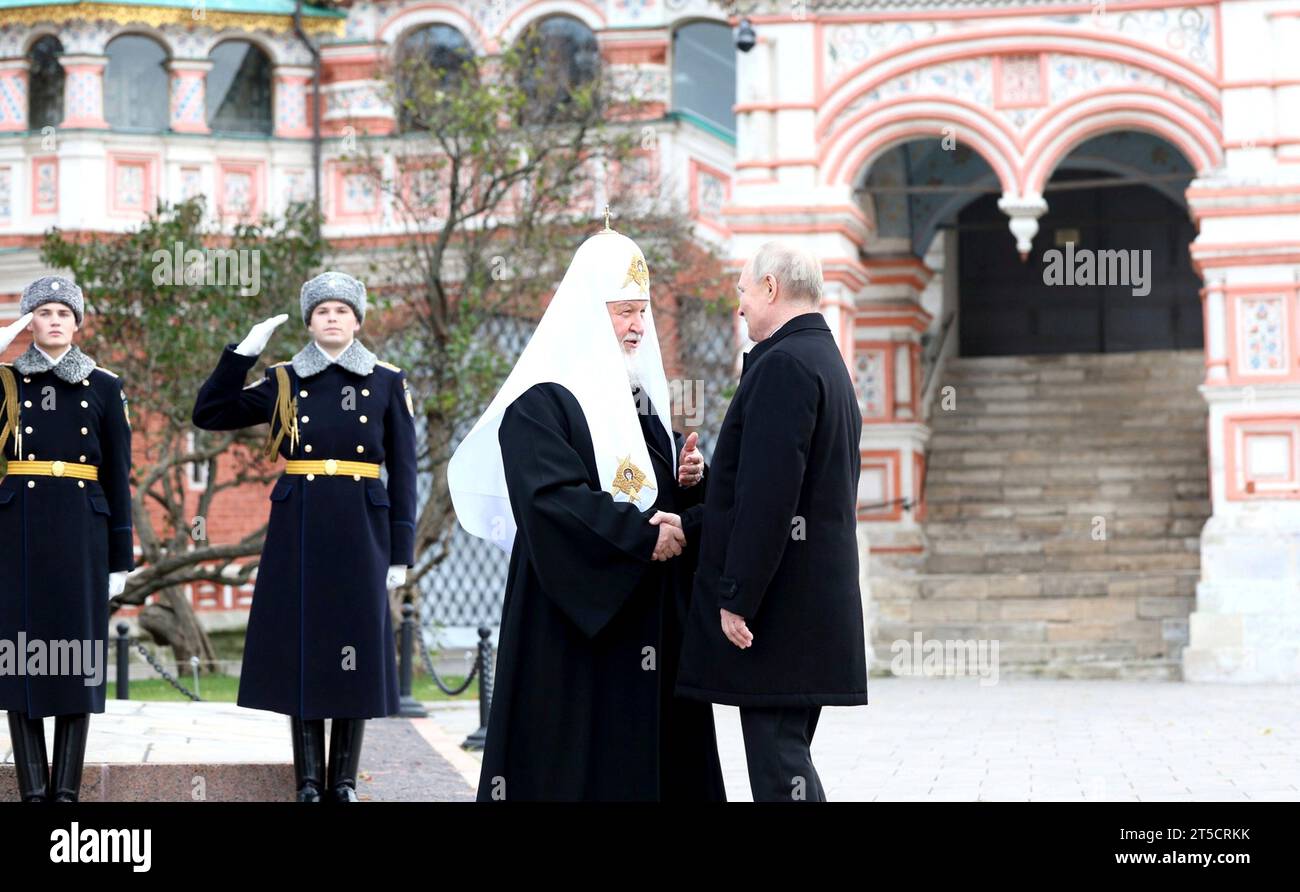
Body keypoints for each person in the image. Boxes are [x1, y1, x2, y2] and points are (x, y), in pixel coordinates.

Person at [448, 224, 724, 801]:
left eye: (642, 312)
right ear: (588, 313)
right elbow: (552, 502)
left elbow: (657, 497)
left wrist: (686, 484)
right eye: (625, 312)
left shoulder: (641, 403)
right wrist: (639, 537)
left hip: (648, 621)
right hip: (575, 626)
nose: (637, 327)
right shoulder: (539, 402)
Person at [190, 271, 418, 802]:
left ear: (358, 320)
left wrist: (400, 551)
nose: (332, 317)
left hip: (363, 525)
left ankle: (343, 781)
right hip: (301, 525)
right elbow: (210, 413)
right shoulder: (285, 378)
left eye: (342, 310)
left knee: (355, 649)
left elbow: (404, 470)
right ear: (310, 321)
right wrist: (241, 355)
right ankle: (309, 781)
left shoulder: (387, 379)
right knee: (306, 649)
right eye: (322, 311)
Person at [676, 241, 868, 802]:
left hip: (779, 613)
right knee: (786, 758)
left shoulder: (783, 364)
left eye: (741, 291)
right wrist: (710, 483)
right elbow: (786, 487)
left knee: (778, 764)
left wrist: (737, 593)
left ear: (769, 287)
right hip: (808, 608)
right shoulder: (823, 359)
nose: (738, 307)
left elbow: (770, 499)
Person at [0, 276, 134, 802]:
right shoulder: (5, 382)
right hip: (17, 531)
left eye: (63, 313)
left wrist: (120, 560)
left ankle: (65, 794)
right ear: (29, 321)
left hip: (83, 529)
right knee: (18, 658)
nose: (54, 320)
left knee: (76, 660)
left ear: (78, 323)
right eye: (44, 312)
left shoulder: (104, 386)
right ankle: (33, 790)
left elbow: (118, 474)